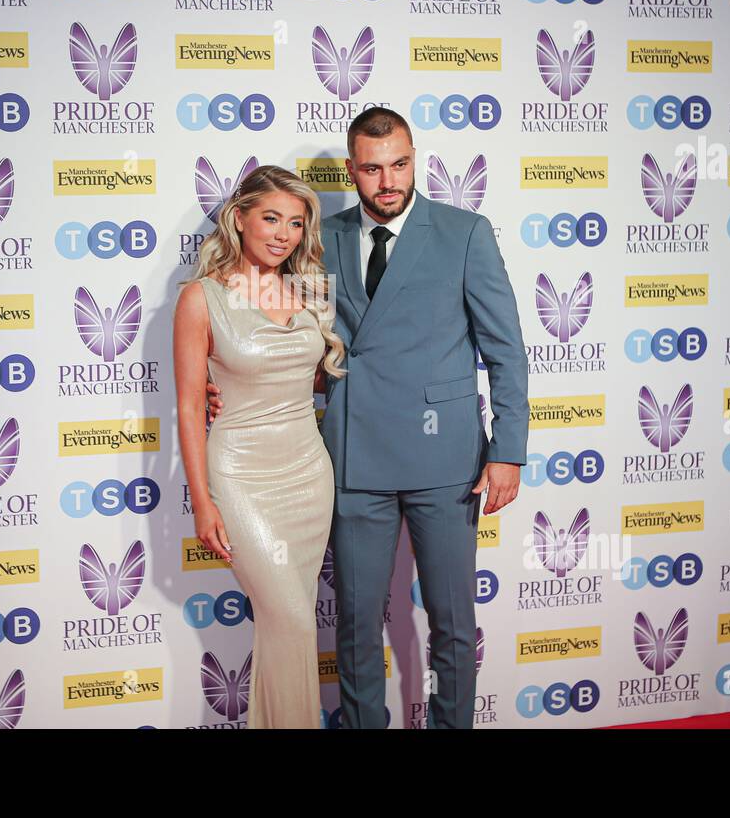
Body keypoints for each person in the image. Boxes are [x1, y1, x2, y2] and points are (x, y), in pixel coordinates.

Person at [207, 108, 529, 728]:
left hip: (447, 458)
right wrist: (217, 386)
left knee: (453, 621)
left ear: (415, 161)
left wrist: (508, 450)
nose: (389, 181)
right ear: (352, 171)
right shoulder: (319, 239)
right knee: (355, 623)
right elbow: (288, 336)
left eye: (400, 165)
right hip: (352, 457)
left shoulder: (464, 233)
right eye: (373, 169)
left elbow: (505, 350)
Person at [173, 164, 346, 728]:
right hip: (242, 476)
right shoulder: (201, 298)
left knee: (287, 624)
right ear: (239, 218)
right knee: (291, 618)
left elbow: (314, 377)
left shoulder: (311, 290)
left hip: (309, 474)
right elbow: (189, 407)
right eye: (271, 218)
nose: (283, 234)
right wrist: (202, 502)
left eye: (295, 223)